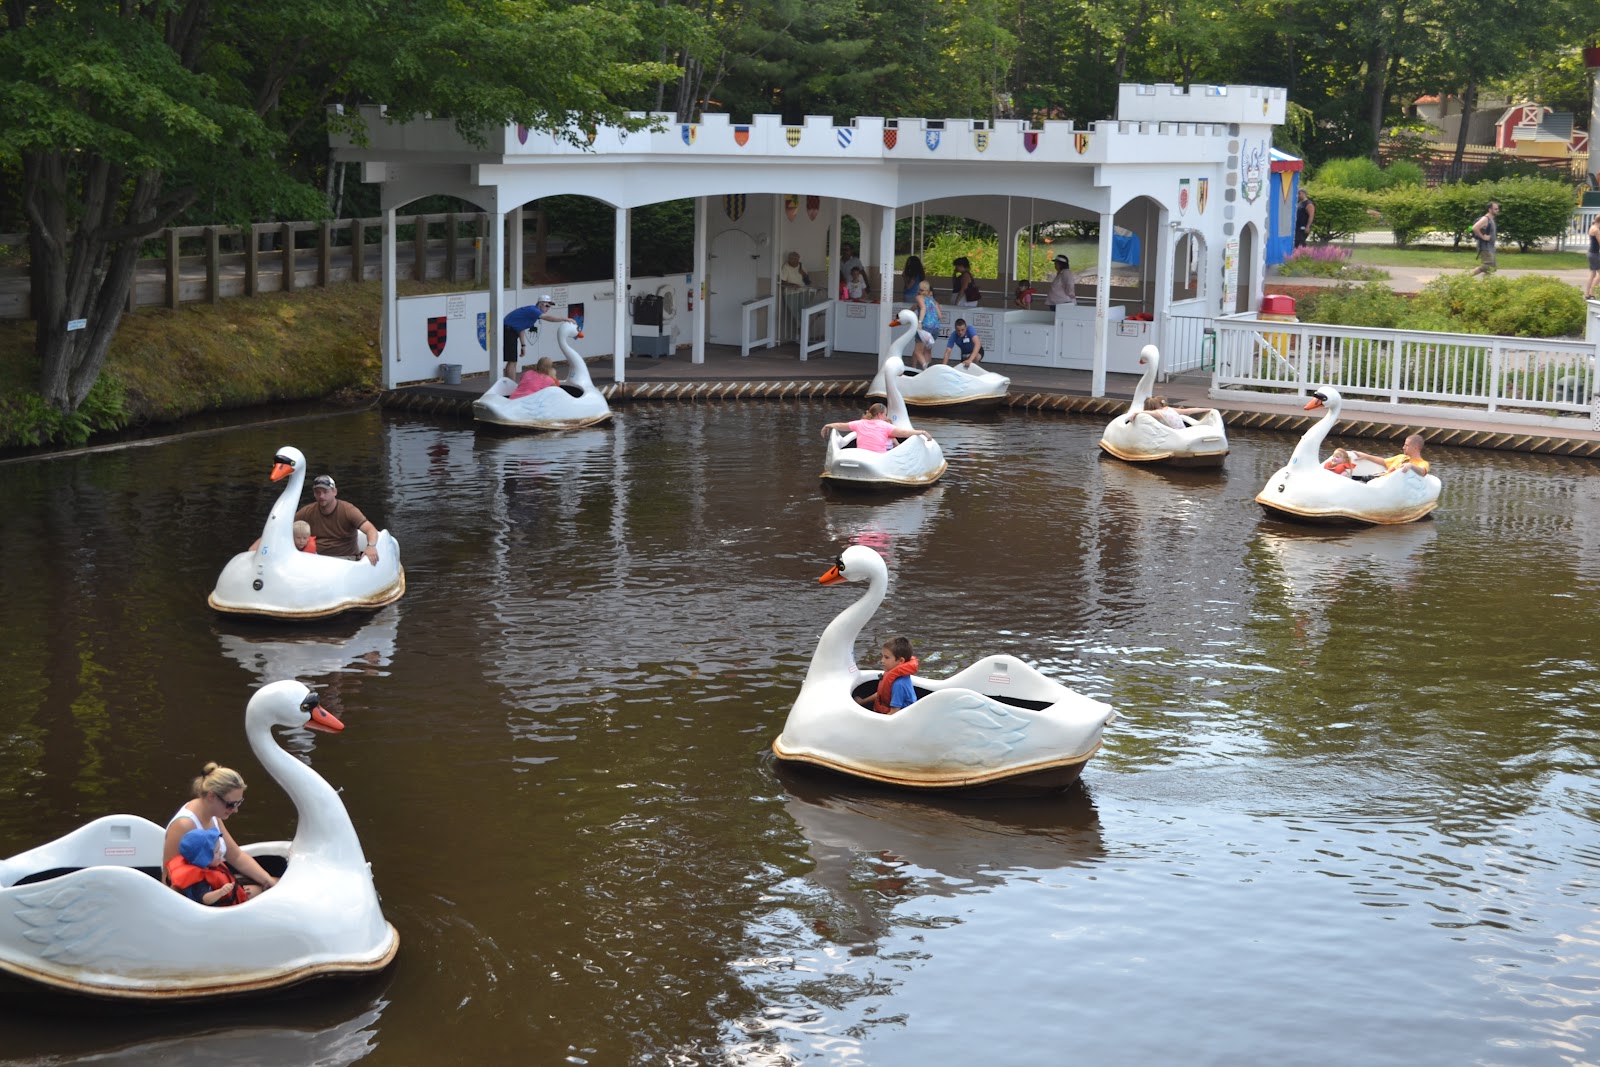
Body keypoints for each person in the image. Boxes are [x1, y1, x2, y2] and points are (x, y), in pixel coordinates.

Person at [161, 762, 279, 901]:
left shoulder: (213, 814)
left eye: (239, 802)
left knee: (277, 882)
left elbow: (236, 856)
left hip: (217, 881)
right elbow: (169, 879)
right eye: (231, 804)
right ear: (211, 796)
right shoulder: (183, 825)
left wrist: (269, 881)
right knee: (265, 894)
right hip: (200, 896)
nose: (235, 810)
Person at [297, 474, 381, 563]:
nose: (321, 496)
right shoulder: (308, 511)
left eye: (325, 492)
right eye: (318, 492)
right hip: (317, 557)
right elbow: (286, 526)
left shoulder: (348, 510)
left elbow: (371, 529)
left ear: (334, 492)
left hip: (345, 560)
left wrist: (371, 546)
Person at [166, 827, 245, 906]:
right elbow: (205, 899)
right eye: (216, 851)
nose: (220, 852)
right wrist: (221, 892)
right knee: (257, 891)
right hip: (219, 911)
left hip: (233, 897)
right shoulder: (197, 880)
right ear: (203, 858)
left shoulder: (208, 866)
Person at [820, 402, 935, 453]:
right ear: (880, 414)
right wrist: (923, 432)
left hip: (862, 455)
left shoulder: (860, 423)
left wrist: (828, 425)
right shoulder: (885, 425)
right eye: (885, 414)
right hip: (879, 458)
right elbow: (904, 433)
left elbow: (842, 426)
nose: (886, 417)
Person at [502, 296, 571, 379]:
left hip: (510, 331)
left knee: (513, 361)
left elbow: (521, 328)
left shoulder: (532, 314)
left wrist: (523, 345)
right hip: (508, 331)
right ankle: (509, 386)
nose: (547, 309)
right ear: (540, 304)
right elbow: (548, 318)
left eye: (549, 307)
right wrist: (565, 319)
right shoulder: (533, 310)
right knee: (512, 361)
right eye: (547, 306)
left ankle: (509, 384)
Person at [855, 637, 919, 716]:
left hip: (902, 717)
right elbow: (881, 693)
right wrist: (863, 702)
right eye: (882, 656)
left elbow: (894, 713)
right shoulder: (894, 676)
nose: (882, 660)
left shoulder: (898, 684)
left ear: (901, 661)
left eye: (886, 657)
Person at [1351, 434, 1430, 479]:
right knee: (1352, 477)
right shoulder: (1401, 457)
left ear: (1415, 448)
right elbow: (1383, 462)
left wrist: (1411, 466)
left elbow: (1422, 472)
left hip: (1387, 485)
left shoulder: (1422, 463)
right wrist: (1366, 456)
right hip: (1378, 479)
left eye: (1406, 445)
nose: (1403, 448)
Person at [1126, 395, 1212, 429]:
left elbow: (1146, 413)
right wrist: (1207, 409)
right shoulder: (1170, 409)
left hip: (1175, 434)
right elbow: (1188, 411)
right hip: (1184, 430)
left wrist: (1136, 413)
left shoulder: (1157, 413)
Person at [912, 280, 942, 367]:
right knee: (927, 351)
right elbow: (940, 316)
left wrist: (920, 322)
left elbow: (923, 308)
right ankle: (928, 370)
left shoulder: (919, 297)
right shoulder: (933, 301)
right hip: (935, 328)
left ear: (919, 289)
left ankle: (925, 366)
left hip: (925, 327)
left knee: (918, 351)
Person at [1469, 201, 1500, 276]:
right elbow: (1474, 228)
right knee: (1487, 265)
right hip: (1485, 247)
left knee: (1493, 267)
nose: (1497, 210)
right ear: (1490, 210)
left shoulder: (1491, 219)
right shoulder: (1485, 219)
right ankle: (1465, 277)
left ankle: (1486, 285)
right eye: (1495, 209)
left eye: (1498, 209)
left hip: (1490, 247)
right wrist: (1483, 237)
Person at [1585, 215, 1600, 300]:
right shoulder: (1596, 230)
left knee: (1592, 274)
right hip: (1595, 254)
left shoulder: (1592, 227)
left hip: (1591, 253)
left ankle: (1587, 294)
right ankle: (1591, 293)